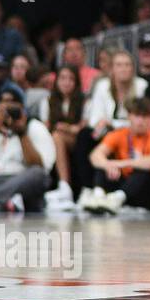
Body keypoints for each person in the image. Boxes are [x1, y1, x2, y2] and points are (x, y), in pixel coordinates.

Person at [76, 49, 148, 202]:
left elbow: (142, 119)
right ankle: (88, 189)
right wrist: (108, 126)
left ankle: (113, 193)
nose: (123, 68)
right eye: (119, 65)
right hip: (108, 133)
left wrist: (113, 123)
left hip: (132, 134)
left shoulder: (142, 86)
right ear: (112, 69)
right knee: (85, 135)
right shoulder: (102, 86)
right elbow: (95, 119)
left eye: (128, 65)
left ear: (133, 69)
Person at [82, 99, 150, 213]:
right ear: (129, 116)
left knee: (142, 170)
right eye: (137, 115)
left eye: (145, 116)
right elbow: (95, 155)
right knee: (104, 164)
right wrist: (108, 165)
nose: (140, 121)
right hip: (123, 182)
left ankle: (116, 199)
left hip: (147, 190)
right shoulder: (119, 134)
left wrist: (120, 164)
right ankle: (98, 196)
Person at [0, 88, 55, 212]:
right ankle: (4, 201)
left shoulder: (35, 127)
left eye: (12, 102)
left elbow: (40, 167)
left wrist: (22, 133)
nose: (8, 106)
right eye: (3, 103)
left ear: (22, 107)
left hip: (17, 180)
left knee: (38, 175)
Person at [39, 65, 86, 205]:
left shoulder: (84, 101)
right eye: (63, 78)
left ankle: (65, 186)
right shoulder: (47, 101)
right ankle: (63, 187)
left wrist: (68, 128)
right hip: (53, 140)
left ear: (76, 82)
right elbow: (45, 126)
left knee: (58, 136)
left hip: (77, 141)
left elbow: (84, 127)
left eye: (71, 79)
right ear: (56, 81)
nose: (66, 82)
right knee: (56, 136)